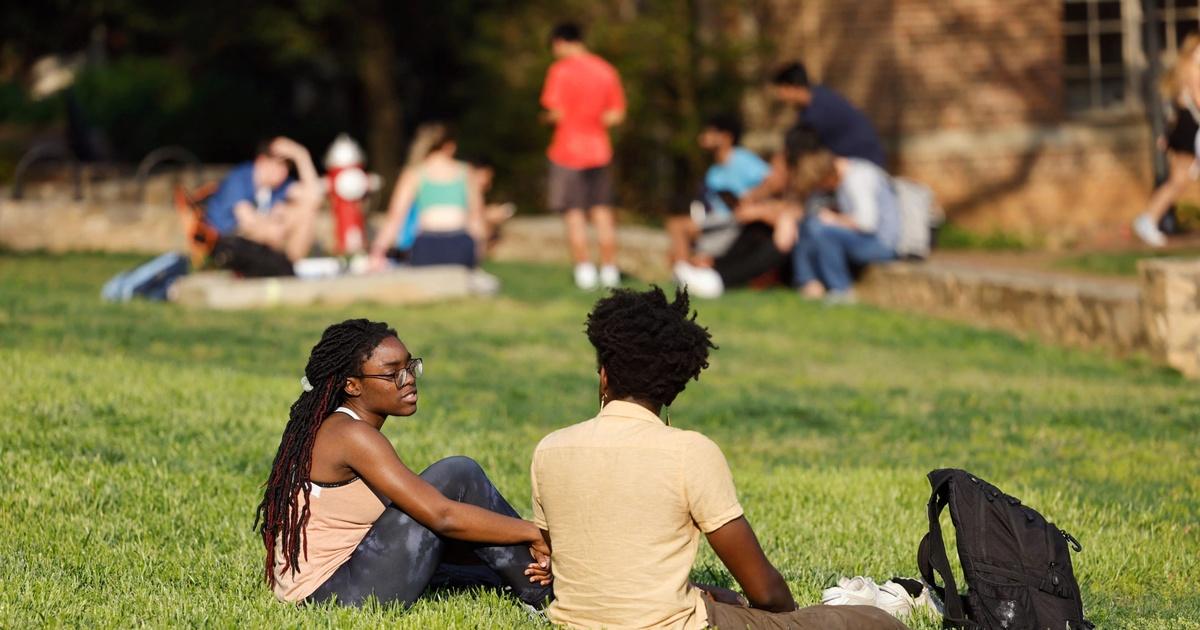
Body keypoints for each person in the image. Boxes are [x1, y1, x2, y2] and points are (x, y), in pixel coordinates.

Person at [529, 287, 908, 630]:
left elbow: (594, 562)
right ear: (672, 390)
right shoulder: (688, 452)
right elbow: (765, 589)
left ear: (605, 377)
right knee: (870, 620)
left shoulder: (549, 449)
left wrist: (702, 594)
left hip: (574, 623)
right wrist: (787, 619)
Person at [255, 319, 553, 607]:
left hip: (345, 577)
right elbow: (442, 516)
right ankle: (547, 598)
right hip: (333, 595)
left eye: (410, 366)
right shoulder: (352, 435)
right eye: (391, 373)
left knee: (486, 568)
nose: (408, 378)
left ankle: (539, 574)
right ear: (352, 386)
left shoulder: (342, 427)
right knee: (458, 473)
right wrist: (535, 533)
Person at [541, 21, 626, 290]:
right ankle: (610, 269)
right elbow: (616, 114)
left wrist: (545, 119)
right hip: (600, 150)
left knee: (575, 214)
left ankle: (585, 271)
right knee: (602, 213)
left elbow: (556, 112)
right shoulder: (606, 70)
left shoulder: (560, 71)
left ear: (560, 41)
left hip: (567, 152)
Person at [788, 130, 900, 303]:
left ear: (828, 178)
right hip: (862, 238)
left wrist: (834, 219)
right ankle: (808, 282)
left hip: (882, 243)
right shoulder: (844, 174)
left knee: (823, 230)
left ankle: (841, 290)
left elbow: (867, 224)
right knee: (809, 223)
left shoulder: (857, 179)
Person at [369, 124, 485, 270]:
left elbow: (395, 218)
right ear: (450, 146)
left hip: (428, 245)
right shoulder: (466, 172)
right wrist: (479, 251)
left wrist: (377, 251)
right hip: (460, 243)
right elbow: (476, 218)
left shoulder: (414, 174)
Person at [666, 114, 771, 267]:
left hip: (737, 222)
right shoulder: (713, 172)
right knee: (677, 231)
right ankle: (682, 272)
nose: (704, 136)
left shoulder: (742, 159)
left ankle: (683, 273)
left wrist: (752, 197)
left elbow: (773, 181)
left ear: (726, 137)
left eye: (710, 132)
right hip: (716, 220)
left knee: (678, 226)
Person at [204, 137, 323, 262]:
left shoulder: (278, 186)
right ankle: (282, 265)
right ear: (262, 161)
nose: (284, 171)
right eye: (279, 164)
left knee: (306, 211)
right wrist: (275, 222)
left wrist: (301, 154)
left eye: (287, 167)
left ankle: (291, 266)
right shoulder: (240, 178)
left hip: (256, 241)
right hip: (226, 242)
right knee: (271, 228)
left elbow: (314, 197)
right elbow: (248, 222)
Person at [1134, 33, 1200, 247]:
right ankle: (1148, 220)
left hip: (1184, 129)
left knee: (1178, 181)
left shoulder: (1183, 69)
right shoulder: (1193, 70)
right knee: (1177, 181)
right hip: (1189, 130)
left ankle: (1149, 219)